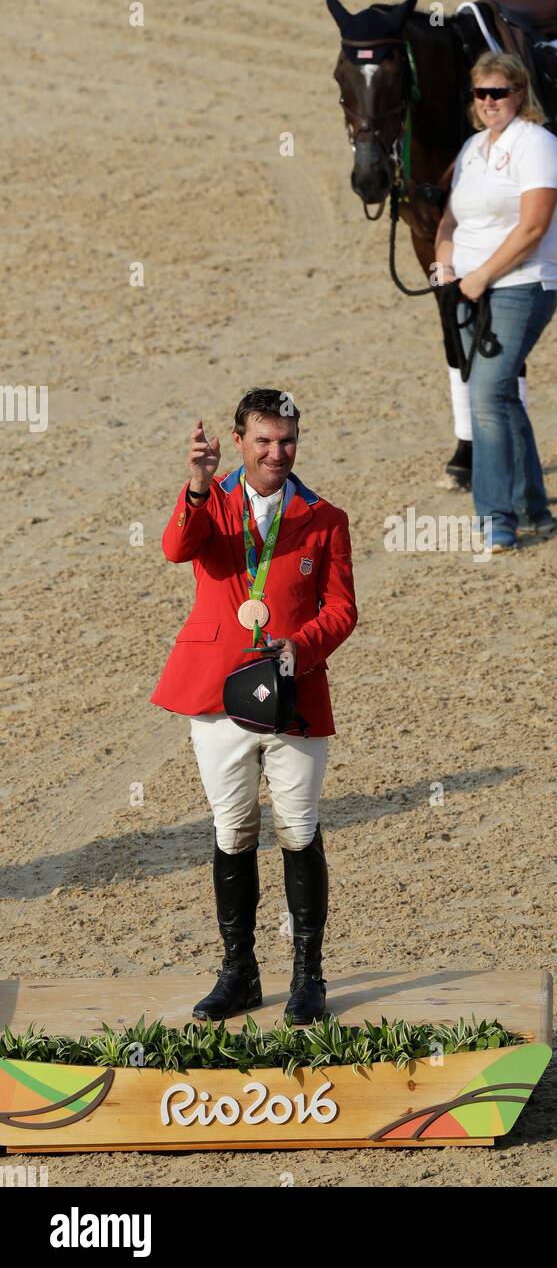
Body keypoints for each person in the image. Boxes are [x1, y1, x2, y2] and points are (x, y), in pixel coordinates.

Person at [151, 387, 357, 1023]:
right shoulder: (211, 502)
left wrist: (299, 644)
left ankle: (308, 979)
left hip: (294, 692)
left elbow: (343, 610)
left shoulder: (325, 517)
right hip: (217, 691)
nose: (277, 452)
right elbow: (175, 550)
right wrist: (195, 484)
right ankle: (238, 973)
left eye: (287, 440)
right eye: (264, 440)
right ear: (238, 441)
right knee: (233, 832)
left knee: (298, 829)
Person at [434, 52, 557, 551]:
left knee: (487, 396)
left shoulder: (538, 146)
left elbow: (533, 227)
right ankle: (534, 508)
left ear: (519, 94)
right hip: (468, 286)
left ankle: (496, 518)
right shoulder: (472, 149)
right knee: (503, 398)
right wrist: (445, 264)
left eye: (500, 92)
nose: (490, 102)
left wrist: (484, 275)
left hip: (522, 286)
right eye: (481, 93)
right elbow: (451, 219)